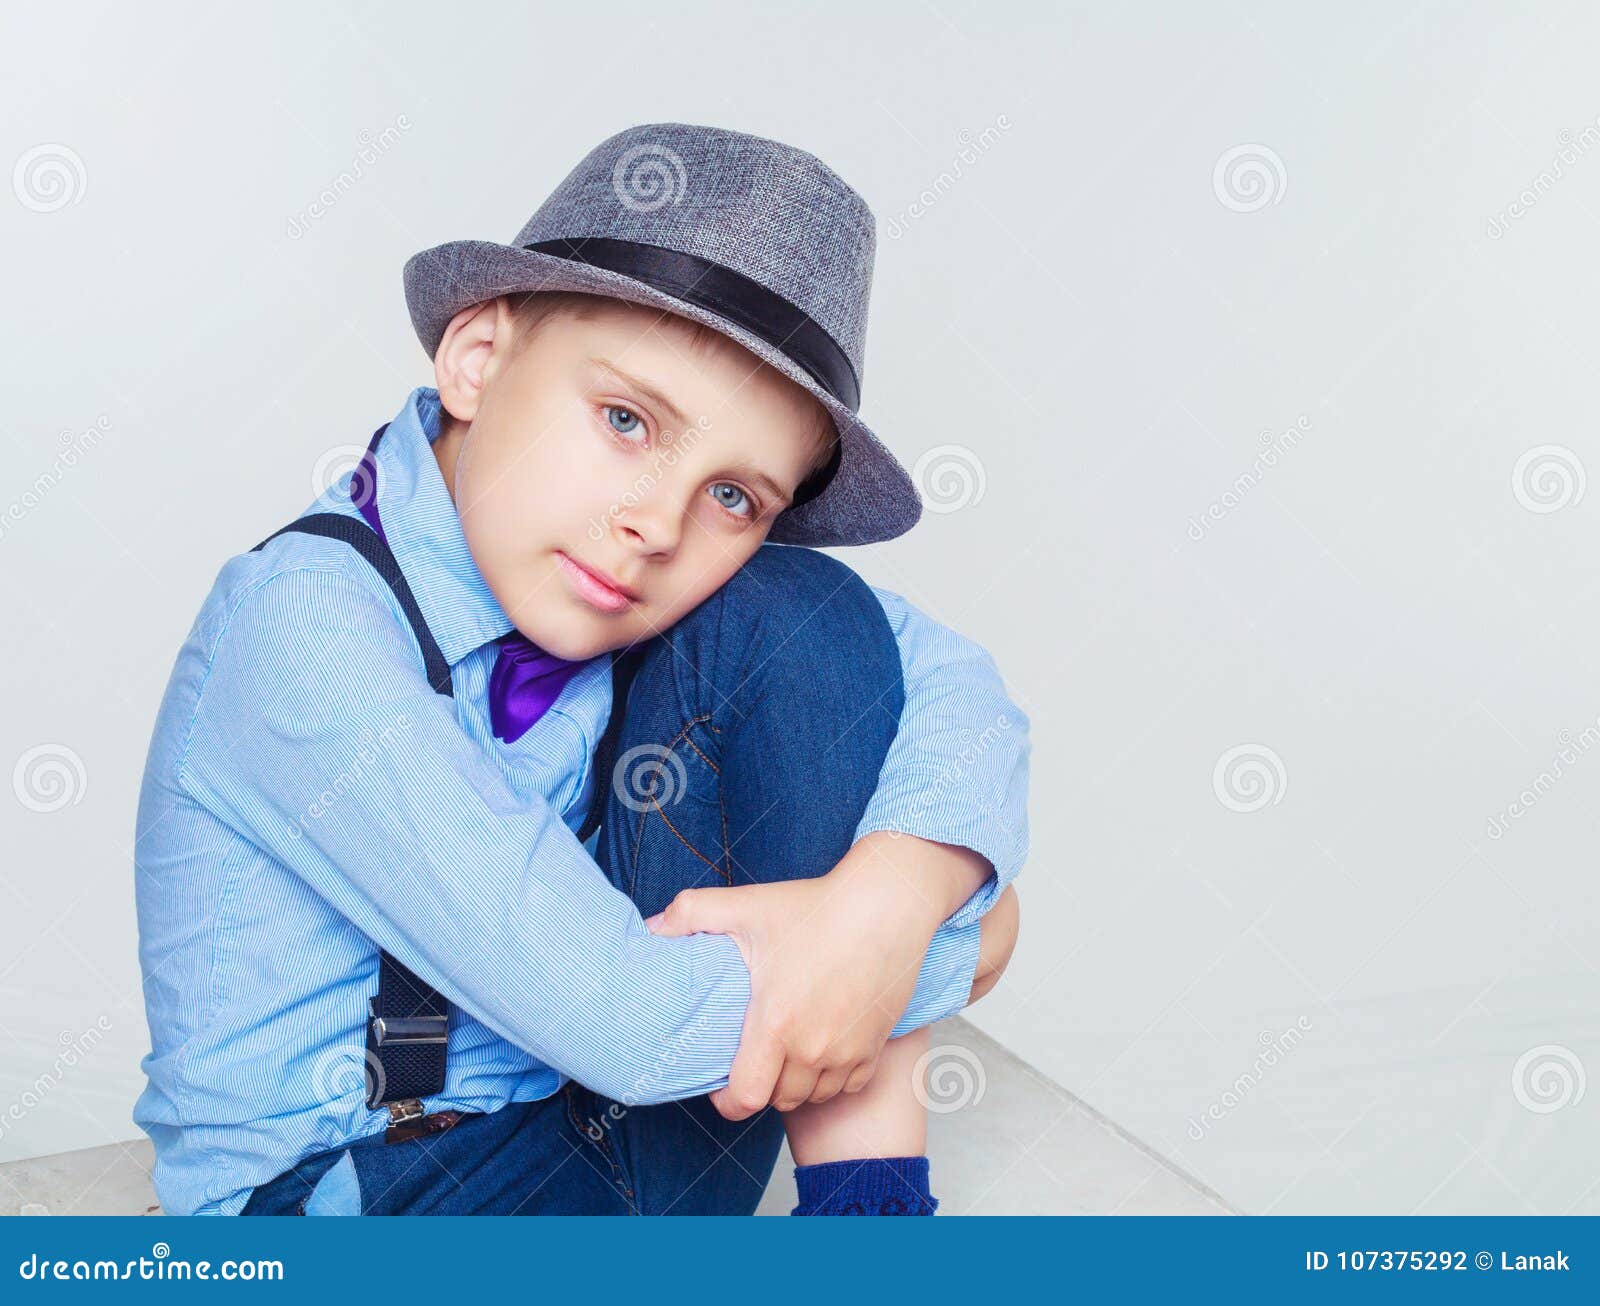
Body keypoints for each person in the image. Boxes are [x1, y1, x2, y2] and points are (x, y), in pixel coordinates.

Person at [132, 122, 1030, 1217]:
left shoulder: (620, 577)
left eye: (734, 495)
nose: (656, 522)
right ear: (478, 360)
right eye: (624, 419)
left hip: (596, 1134)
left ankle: (869, 1226)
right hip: (347, 1201)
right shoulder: (301, 630)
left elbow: (949, 678)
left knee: (804, 612)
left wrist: (899, 893)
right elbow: (628, 1024)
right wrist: (963, 938)